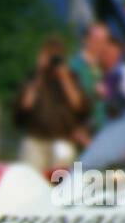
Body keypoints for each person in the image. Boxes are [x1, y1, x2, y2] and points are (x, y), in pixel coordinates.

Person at [12, 35, 88, 170]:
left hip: (62, 139)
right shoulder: (33, 77)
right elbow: (25, 105)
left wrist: (64, 77)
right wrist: (39, 72)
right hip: (36, 139)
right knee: (31, 178)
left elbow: (79, 105)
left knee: (61, 180)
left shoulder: (71, 78)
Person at [68, 22, 111, 135]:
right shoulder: (74, 66)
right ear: (86, 40)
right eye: (97, 40)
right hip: (83, 131)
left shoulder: (103, 66)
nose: (101, 45)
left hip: (103, 130)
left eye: (104, 41)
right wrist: (94, 94)